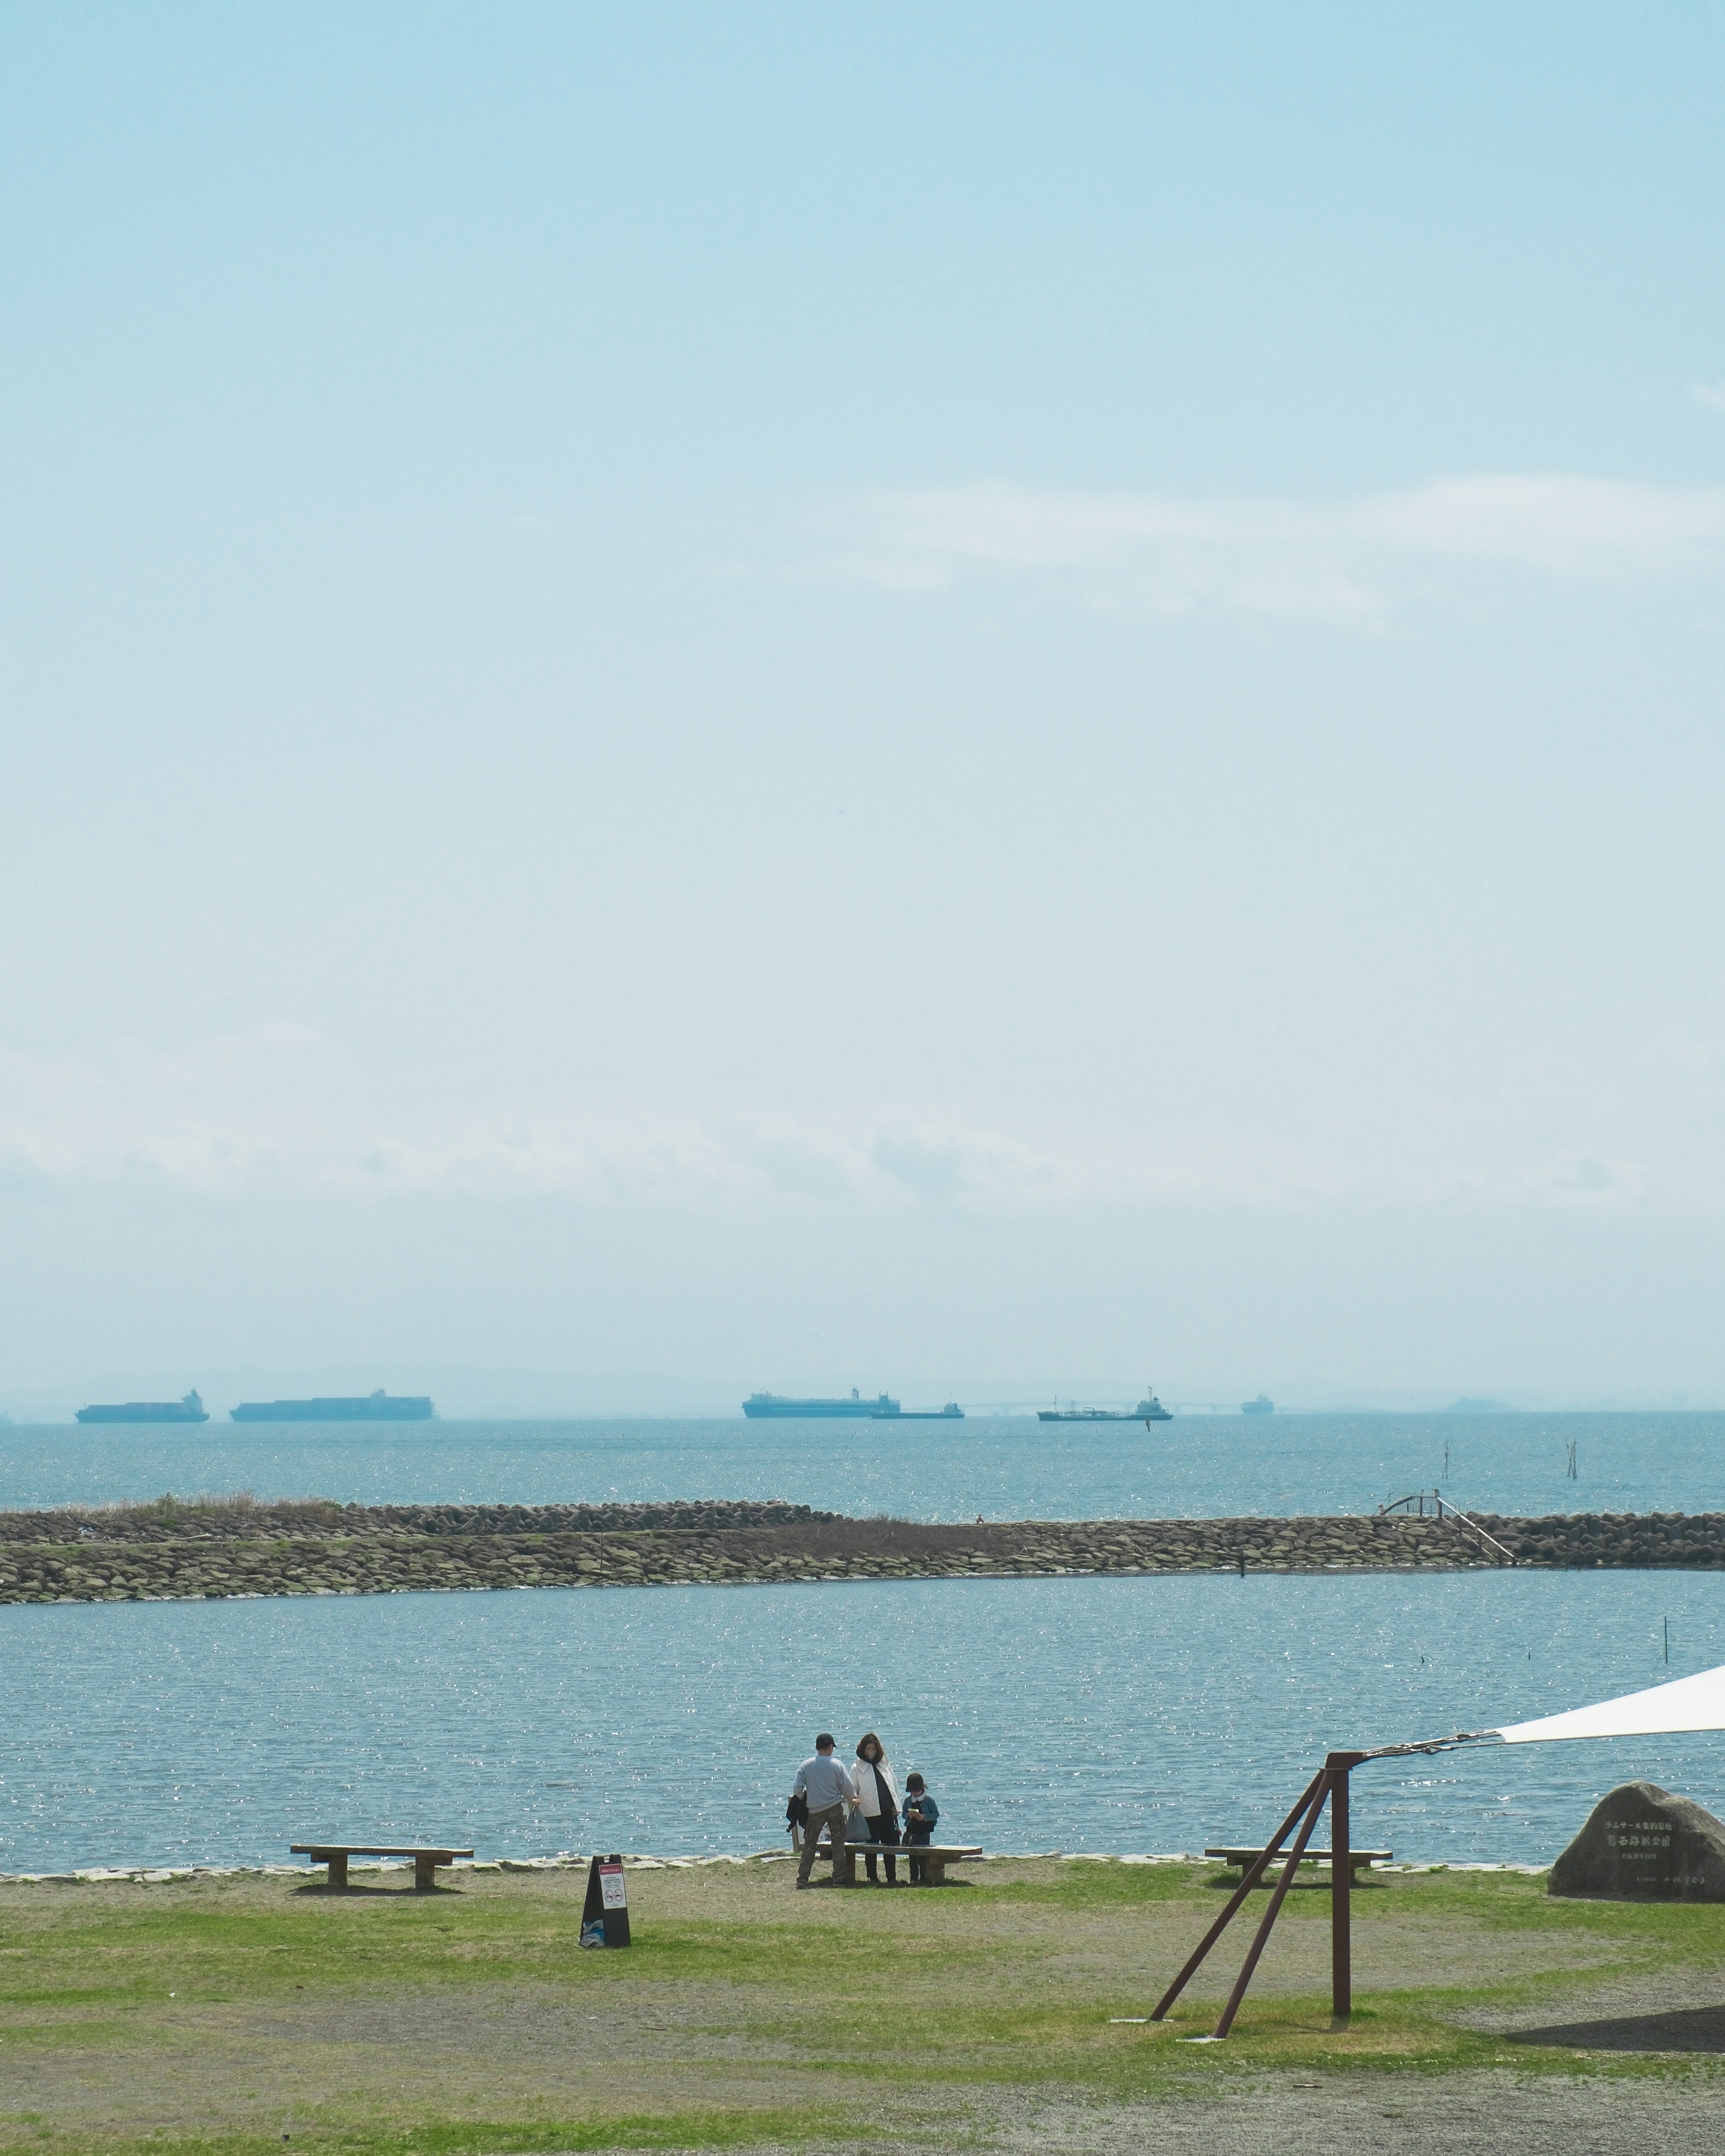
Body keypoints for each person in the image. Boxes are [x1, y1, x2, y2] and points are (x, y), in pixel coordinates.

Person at [791, 1733, 856, 1888]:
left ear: (817, 1747)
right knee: (838, 1844)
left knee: (810, 1845)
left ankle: (803, 1879)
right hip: (834, 1807)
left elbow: (797, 1788)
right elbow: (847, 1787)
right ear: (830, 1747)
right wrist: (851, 1799)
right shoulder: (837, 1765)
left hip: (814, 1810)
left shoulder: (806, 1765)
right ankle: (839, 1879)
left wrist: (803, 1798)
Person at [851, 1732, 901, 1885]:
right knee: (871, 1847)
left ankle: (892, 1877)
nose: (871, 1752)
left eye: (873, 1749)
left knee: (890, 1846)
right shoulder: (857, 1767)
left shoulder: (885, 1764)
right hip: (869, 1813)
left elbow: (894, 1787)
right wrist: (854, 1798)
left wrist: (896, 1808)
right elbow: (852, 1787)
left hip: (887, 1812)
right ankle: (872, 1877)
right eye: (868, 1749)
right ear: (863, 1750)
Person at [902, 1771, 939, 1884]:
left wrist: (923, 1817)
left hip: (924, 1831)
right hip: (911, 1831)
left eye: (917, 1791)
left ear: (922, 1788)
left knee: (923, 1856)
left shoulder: (929, 1800)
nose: (915, 1793)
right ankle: (914, 1878)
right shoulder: (908, 1801)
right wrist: (909, 1815)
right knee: (912, 1856)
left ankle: (924, 1878)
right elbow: (903, 1814)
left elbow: (935, 1814)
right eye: (912, 1791)